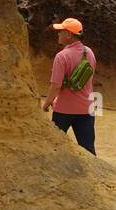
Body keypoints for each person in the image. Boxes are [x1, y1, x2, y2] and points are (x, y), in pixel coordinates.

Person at [41, 17, 97, 155]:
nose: (58, 34)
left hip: (64, 109)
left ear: (69, 35)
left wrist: (47, 103)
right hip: (86, 108)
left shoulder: (62, 56)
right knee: (88, 148)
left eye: (61, 31)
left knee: (55, 146)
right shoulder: (89, 52)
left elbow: (56, 85)